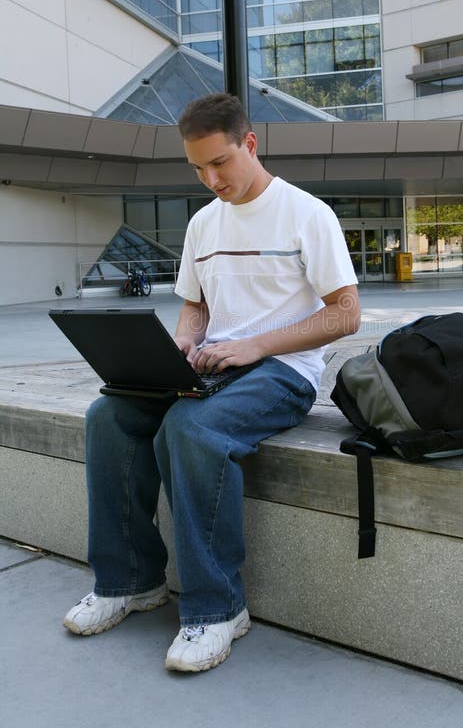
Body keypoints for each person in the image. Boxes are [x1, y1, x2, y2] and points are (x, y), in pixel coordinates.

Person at [63, 93, 360, 672]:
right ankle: (129, 582)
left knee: (191, 427)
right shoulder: (204, 223)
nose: (210, 178)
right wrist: (182, 343)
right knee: (108, 417)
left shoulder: (307, 214)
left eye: (219, 162)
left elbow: (344, 314)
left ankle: (218, 609)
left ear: (249, 144)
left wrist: (258, 344)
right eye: (197, 168)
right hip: (212, 364)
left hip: (282, 372)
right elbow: (195, 309)